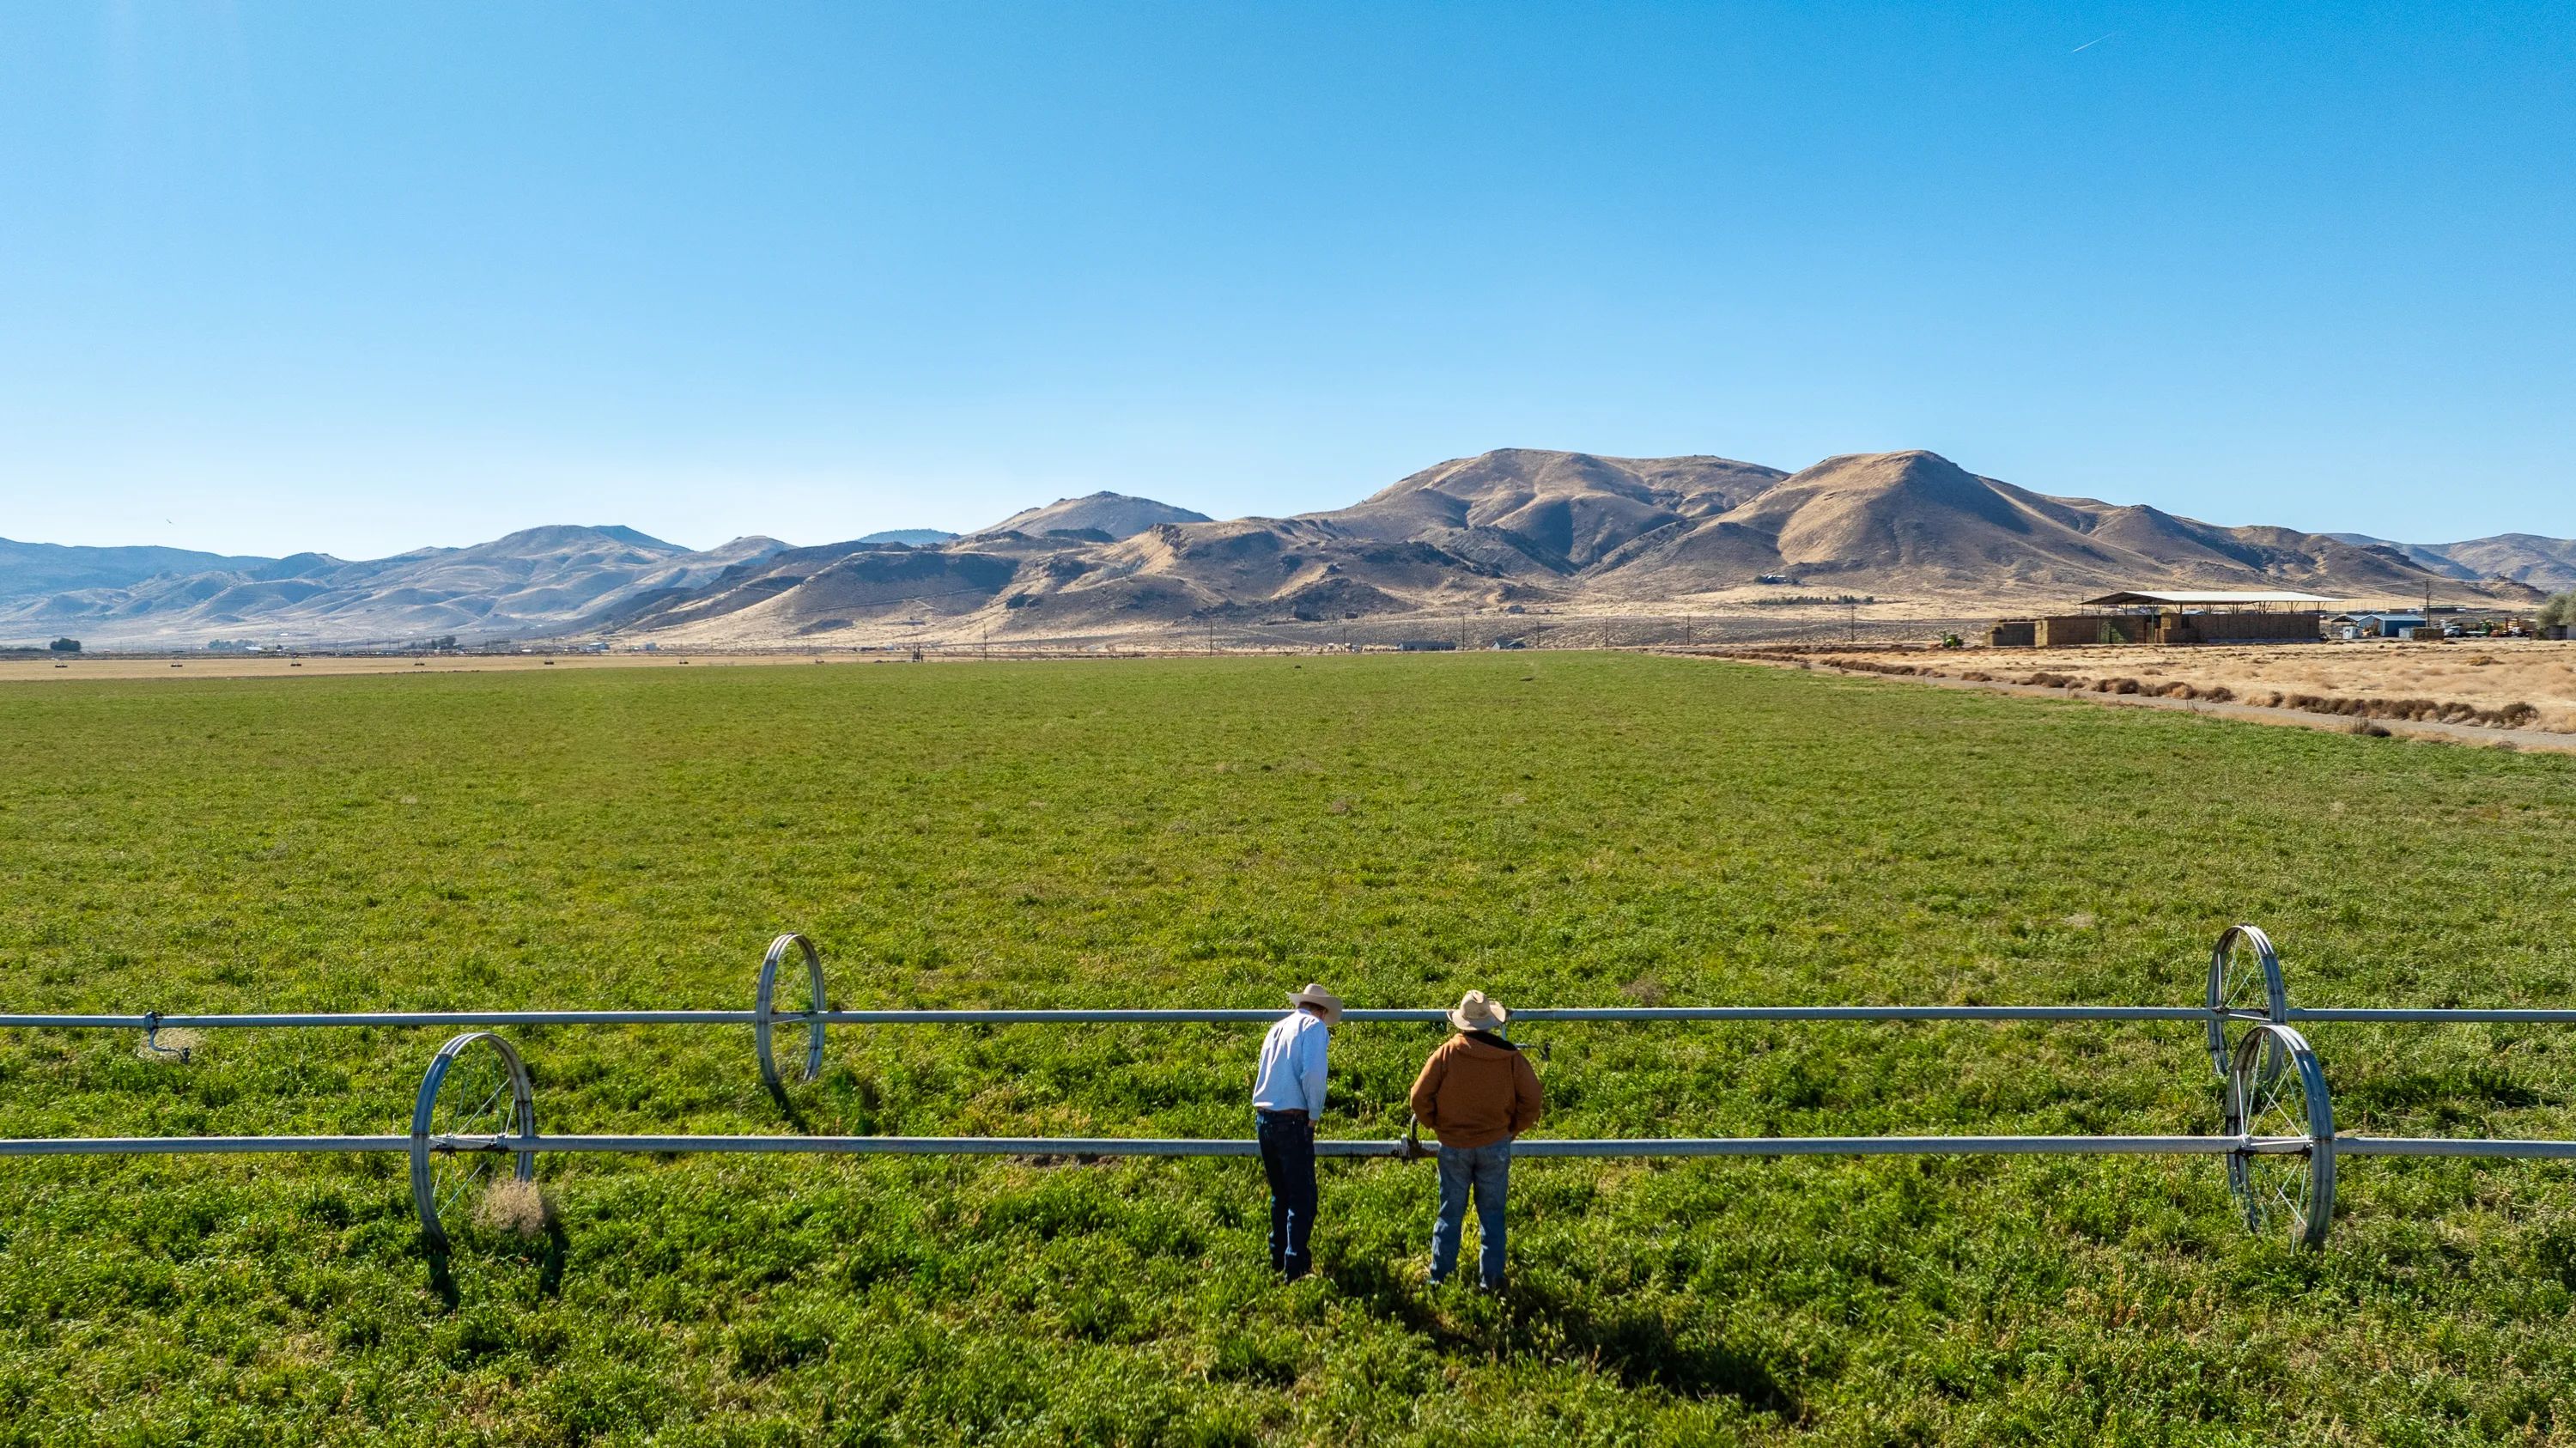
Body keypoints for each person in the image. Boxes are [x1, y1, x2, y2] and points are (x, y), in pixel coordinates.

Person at [1408, 989, 1543, 1290]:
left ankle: (1439, 1279)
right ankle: (1492, 1281)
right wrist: (1512, 1129)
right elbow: (1533, 1098)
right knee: (1492, 1215)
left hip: (1454, 1146)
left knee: (1450, 1213)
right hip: (1495, 1145)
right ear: (1491, 1023)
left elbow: (1418, 1097)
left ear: (1462, 1022)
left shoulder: (1447, 1053)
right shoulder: (1510, 1058)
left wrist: (1437, 1125)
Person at [1250, 983, 1342, 1279]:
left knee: (1281, 1194)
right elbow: (1313, 1074)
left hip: (1264, 1117)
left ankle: (1278, 1257)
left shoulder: (1277, 1028)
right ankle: (1297, 1266)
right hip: (1292, 1120)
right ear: (1321, 1009)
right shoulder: (1314, 1028)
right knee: (1302, 1197)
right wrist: (1314, 1114)